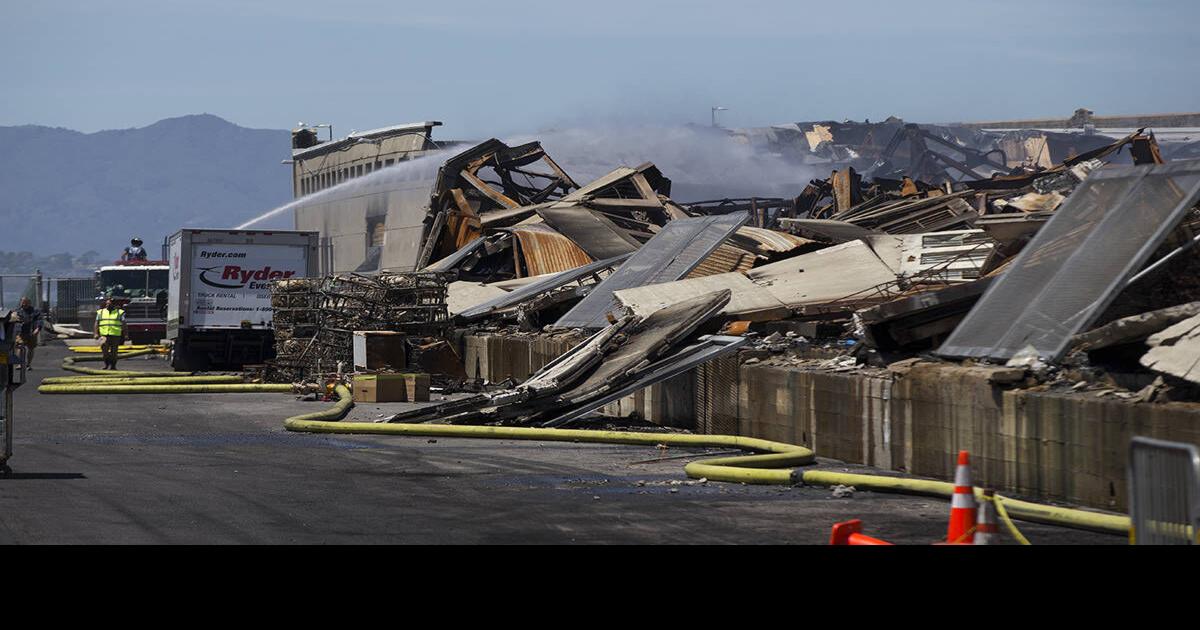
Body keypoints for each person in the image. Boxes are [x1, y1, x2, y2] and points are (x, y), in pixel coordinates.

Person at [94, 297, 127, 370]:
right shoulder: (101, 312)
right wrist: (96, 333)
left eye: (109, 304)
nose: (108, 305)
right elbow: (97, 323)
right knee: (104, 350)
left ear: (114, 305)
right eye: (107, 304)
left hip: (115, 335)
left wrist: (125, 334)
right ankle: (106, 364)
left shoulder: (119, 312)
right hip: (104, 335)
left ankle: (113, 366)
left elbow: (124, 324)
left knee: (114, 352)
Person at [16, 297, 43, 370]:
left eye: (26, 303)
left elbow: (39, 320)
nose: (24, 304)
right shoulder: (18, 311)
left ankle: (28, 364)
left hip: (32, 332)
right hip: (21, 333)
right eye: (23, 303)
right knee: (20, 346)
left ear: (29, 303)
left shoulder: (35, 311)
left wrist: (38, 328)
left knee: (31, 348)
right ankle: (19, 363)